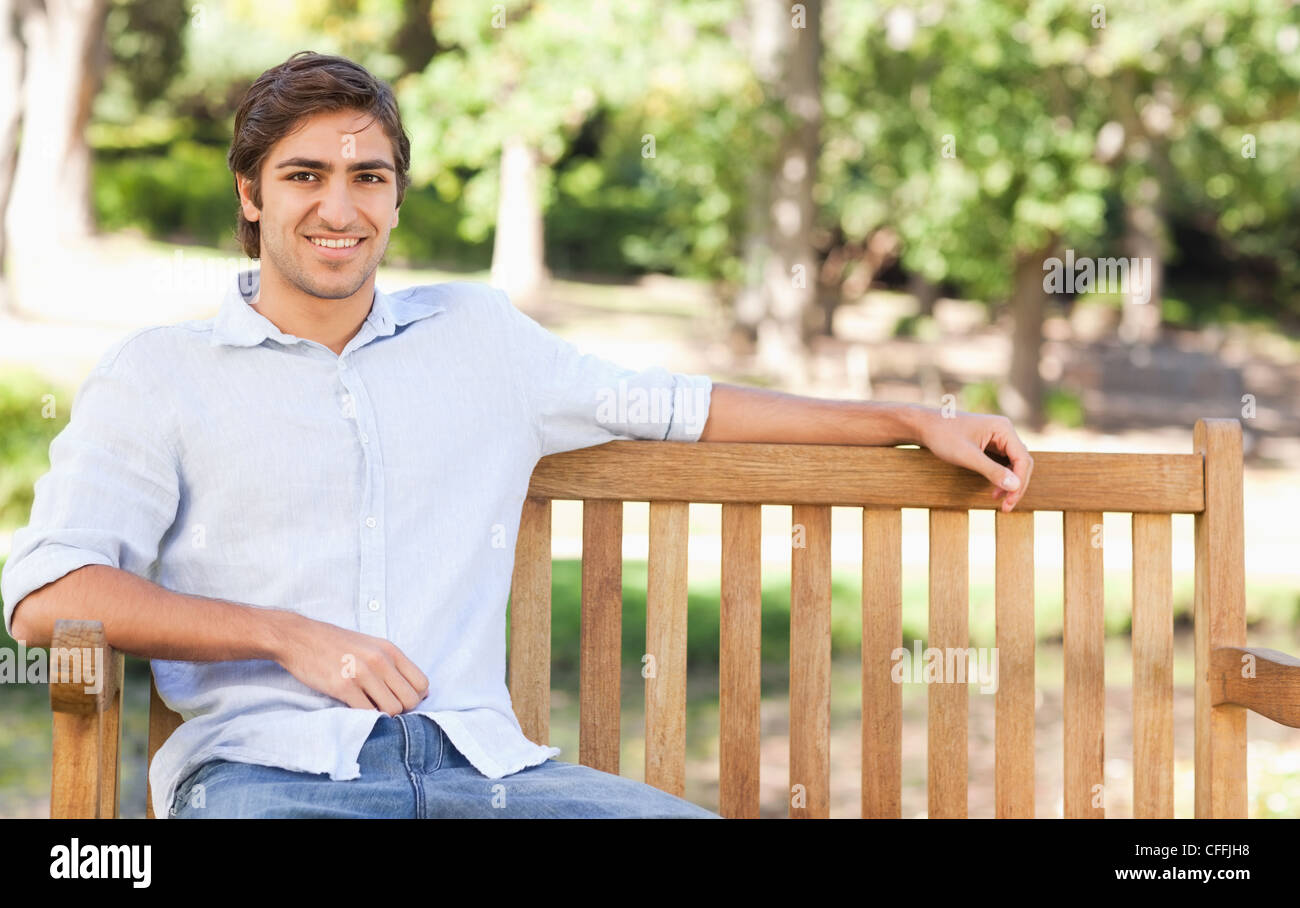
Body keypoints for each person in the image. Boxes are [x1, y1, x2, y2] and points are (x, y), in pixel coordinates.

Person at [1, 52, 1033, 819]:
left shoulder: (481, 339)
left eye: (368, 177)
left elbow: (683, 402)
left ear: (397, 197)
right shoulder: (161, 373)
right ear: (250, 194)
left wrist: (909, 419)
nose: (338, 206)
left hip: (489, 774)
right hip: (269, 774)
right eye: (305, 174)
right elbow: (49, 596)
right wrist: (285, 632)